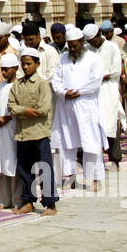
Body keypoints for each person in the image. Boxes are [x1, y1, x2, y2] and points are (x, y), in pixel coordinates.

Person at [51, 26, 106, 190]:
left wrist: (79, 92)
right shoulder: (63, 58)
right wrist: (63, 93)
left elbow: (96, 82)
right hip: (66, 106)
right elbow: (56, 80)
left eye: (75, 45)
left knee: (91, 142)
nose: (73, 49)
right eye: (70, 45)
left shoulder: (93, 58)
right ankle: (70, 178)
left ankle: (95, 179)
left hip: (86, 106)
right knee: (66, 142)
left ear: (82, 42)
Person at [8, 48, 56, 215]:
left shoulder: (43, 84)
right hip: (22, 133)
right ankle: (28, 201)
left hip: (40, 132)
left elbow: (43, 109)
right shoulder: (17, 84)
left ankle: (50, 204)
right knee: (24, 169)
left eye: (29, 64)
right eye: (24, 64)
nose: (26, 67)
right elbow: (11, 107)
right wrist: (26, 111)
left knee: (44, 168)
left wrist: (23, 111)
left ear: (37, 64)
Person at [0, 53, 21, 210]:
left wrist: (8, 118)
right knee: (2, 164)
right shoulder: (1, 86)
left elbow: (19, 106)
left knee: (13, 164)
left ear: (15, 68)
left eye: (7, 69)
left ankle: (17, 200)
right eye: (2, 69)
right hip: (0, 129)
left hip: (13, 127)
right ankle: (4, 200)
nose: (4, 72)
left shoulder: (19, 85)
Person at [91, 23, 125, 168]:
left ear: (99, 36)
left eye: (93, 40)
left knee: (110, 124)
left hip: (108, 89)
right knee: (94, 125)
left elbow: (116, 70)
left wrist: (102, 76)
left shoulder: (112, 47)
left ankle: (115, 158)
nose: (92, 43)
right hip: (92, 91)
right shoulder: (87, 49)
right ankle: (97, 159)